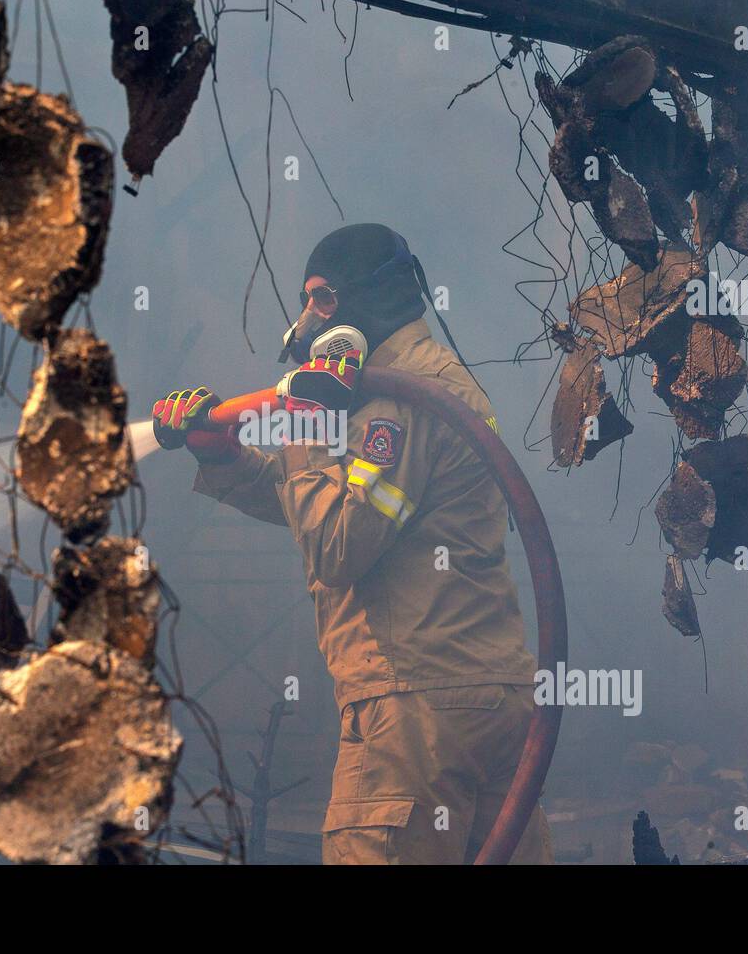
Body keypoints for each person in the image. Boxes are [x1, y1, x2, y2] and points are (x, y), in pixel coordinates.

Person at [153, 223, 552, 864]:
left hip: (413, 710)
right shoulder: (422, 384)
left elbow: (337, 546)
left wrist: (305, 423)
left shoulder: (402, 401)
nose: (308, 319)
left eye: (323, 298)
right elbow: (340, 510)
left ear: (366, 299)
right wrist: (221, 455)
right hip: (492, 700)